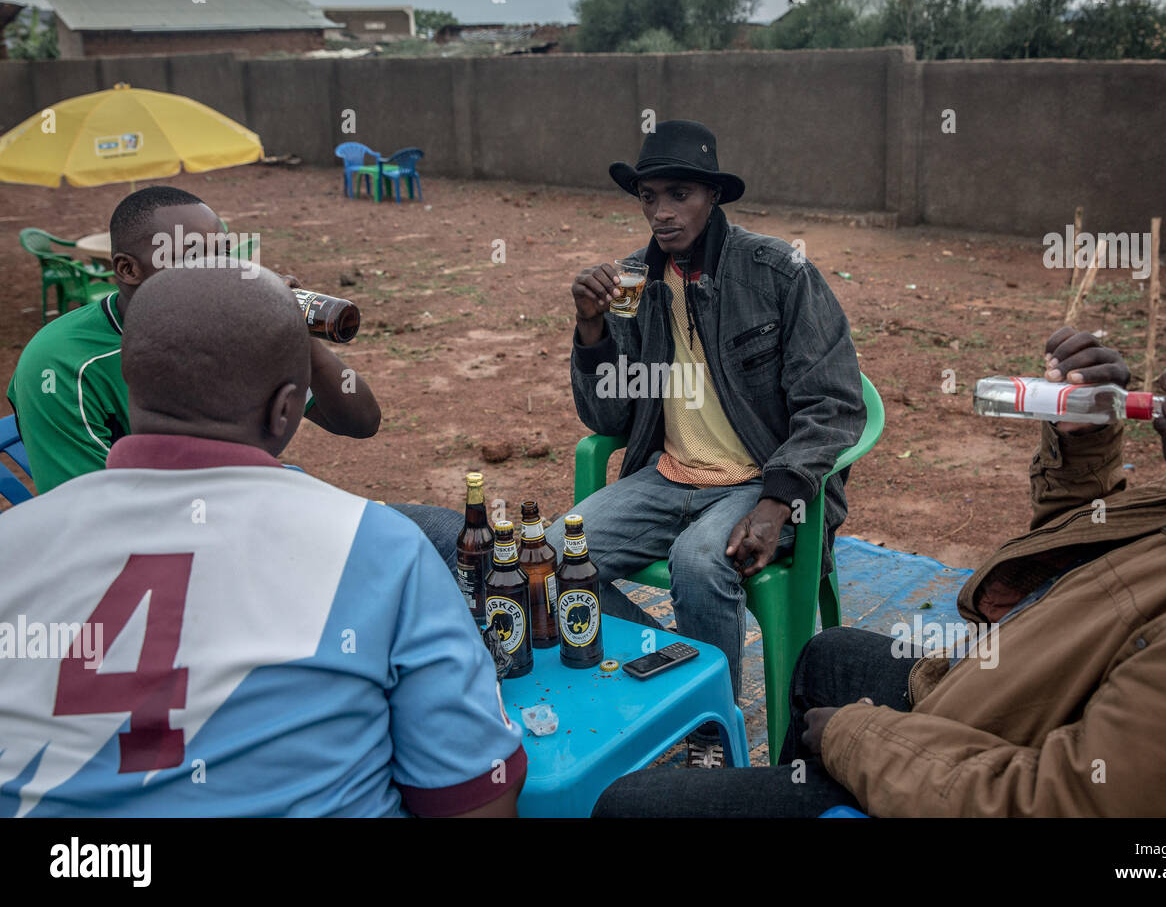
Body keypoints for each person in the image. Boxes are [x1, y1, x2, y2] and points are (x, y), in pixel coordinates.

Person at [594, 253, 1166, 816]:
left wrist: (856, 739)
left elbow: (1065, 801)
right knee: (825, 656)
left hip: (993, 755)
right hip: (1008, 695)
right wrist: (1085, 447)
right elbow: (1080, 569)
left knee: (627, 803)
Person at [0, 265, 525, 817]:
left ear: (132, 388)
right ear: (285, 410)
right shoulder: (379, 549)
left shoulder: (14, 540)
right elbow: (475, 800)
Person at [546, 121, 867, 767]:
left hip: (758, 476)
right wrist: (590, 328)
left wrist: (778, 503)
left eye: (680, 195)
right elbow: (606, 413)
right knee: (552, 556)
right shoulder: (633, 283)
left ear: (713, 196)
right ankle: (688, 678)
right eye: (649, 197)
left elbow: (832, 403)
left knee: (699, 561)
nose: (662, 213)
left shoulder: (776, 272)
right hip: (667, 477)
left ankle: (708, 736)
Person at [5, 186, 463, 569]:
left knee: (457, 538)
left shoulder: (228, 324)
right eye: (190, 257)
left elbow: (359, 420)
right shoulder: (60, 364)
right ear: (127, 269)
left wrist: (293, 328)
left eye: (223, 255)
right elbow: (95, 527)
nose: (218, 272)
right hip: (182, 557)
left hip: (259, 508)